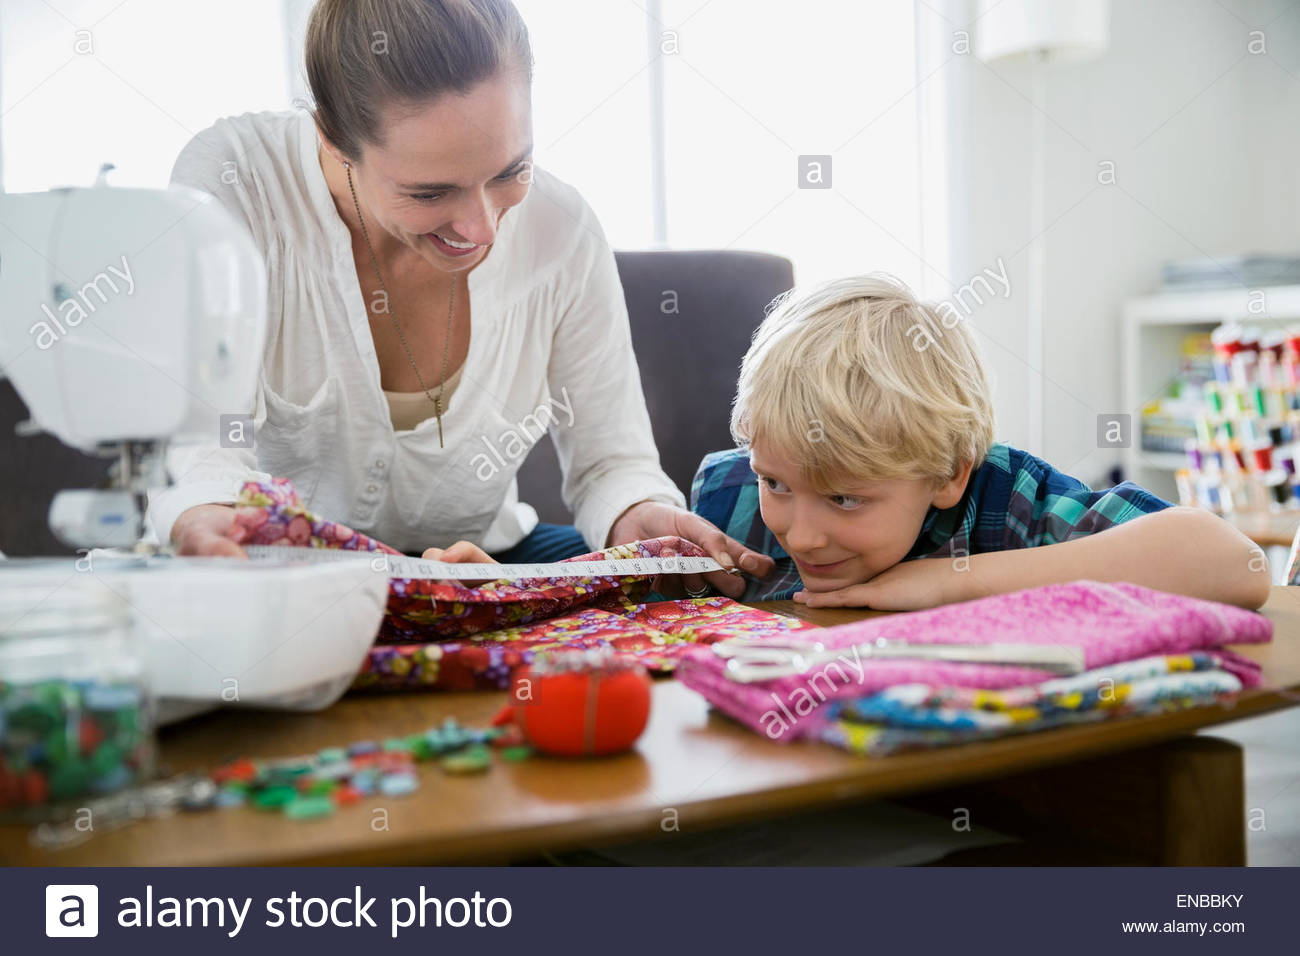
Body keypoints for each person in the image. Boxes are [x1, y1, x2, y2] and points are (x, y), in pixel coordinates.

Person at [152, 0, 772, 599]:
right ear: (334, 138)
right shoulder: (237, 179)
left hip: (488, 561)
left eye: (510, 171)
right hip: (282, 564)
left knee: (665, 602)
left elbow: (612, 464)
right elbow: (201, 445)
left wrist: (638, 517)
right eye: (428, 193)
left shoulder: (564, 231)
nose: (480, 230)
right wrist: (208, 517)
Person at [691, 274, 1271, 610]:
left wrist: (948, 582)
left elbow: (1234, 564)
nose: (802, 534)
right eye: (777, 482)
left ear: (948, 475)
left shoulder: (1002, 501)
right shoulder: (729, 496)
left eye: (844, 498)